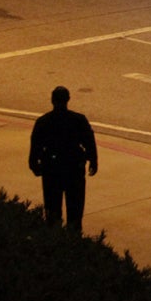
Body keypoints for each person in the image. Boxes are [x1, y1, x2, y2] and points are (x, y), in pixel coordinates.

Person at [28, 85, 98, 231]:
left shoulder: (43, 121)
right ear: (68, 100)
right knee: (75, 212)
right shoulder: (78, 120)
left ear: (52, 100)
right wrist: (93, 161)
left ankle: (56, 241)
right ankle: (73, 241)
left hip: (52, 169)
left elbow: (35, 146)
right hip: (73, 168)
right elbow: (89, 142)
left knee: (53, 211)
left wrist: (34, 164)